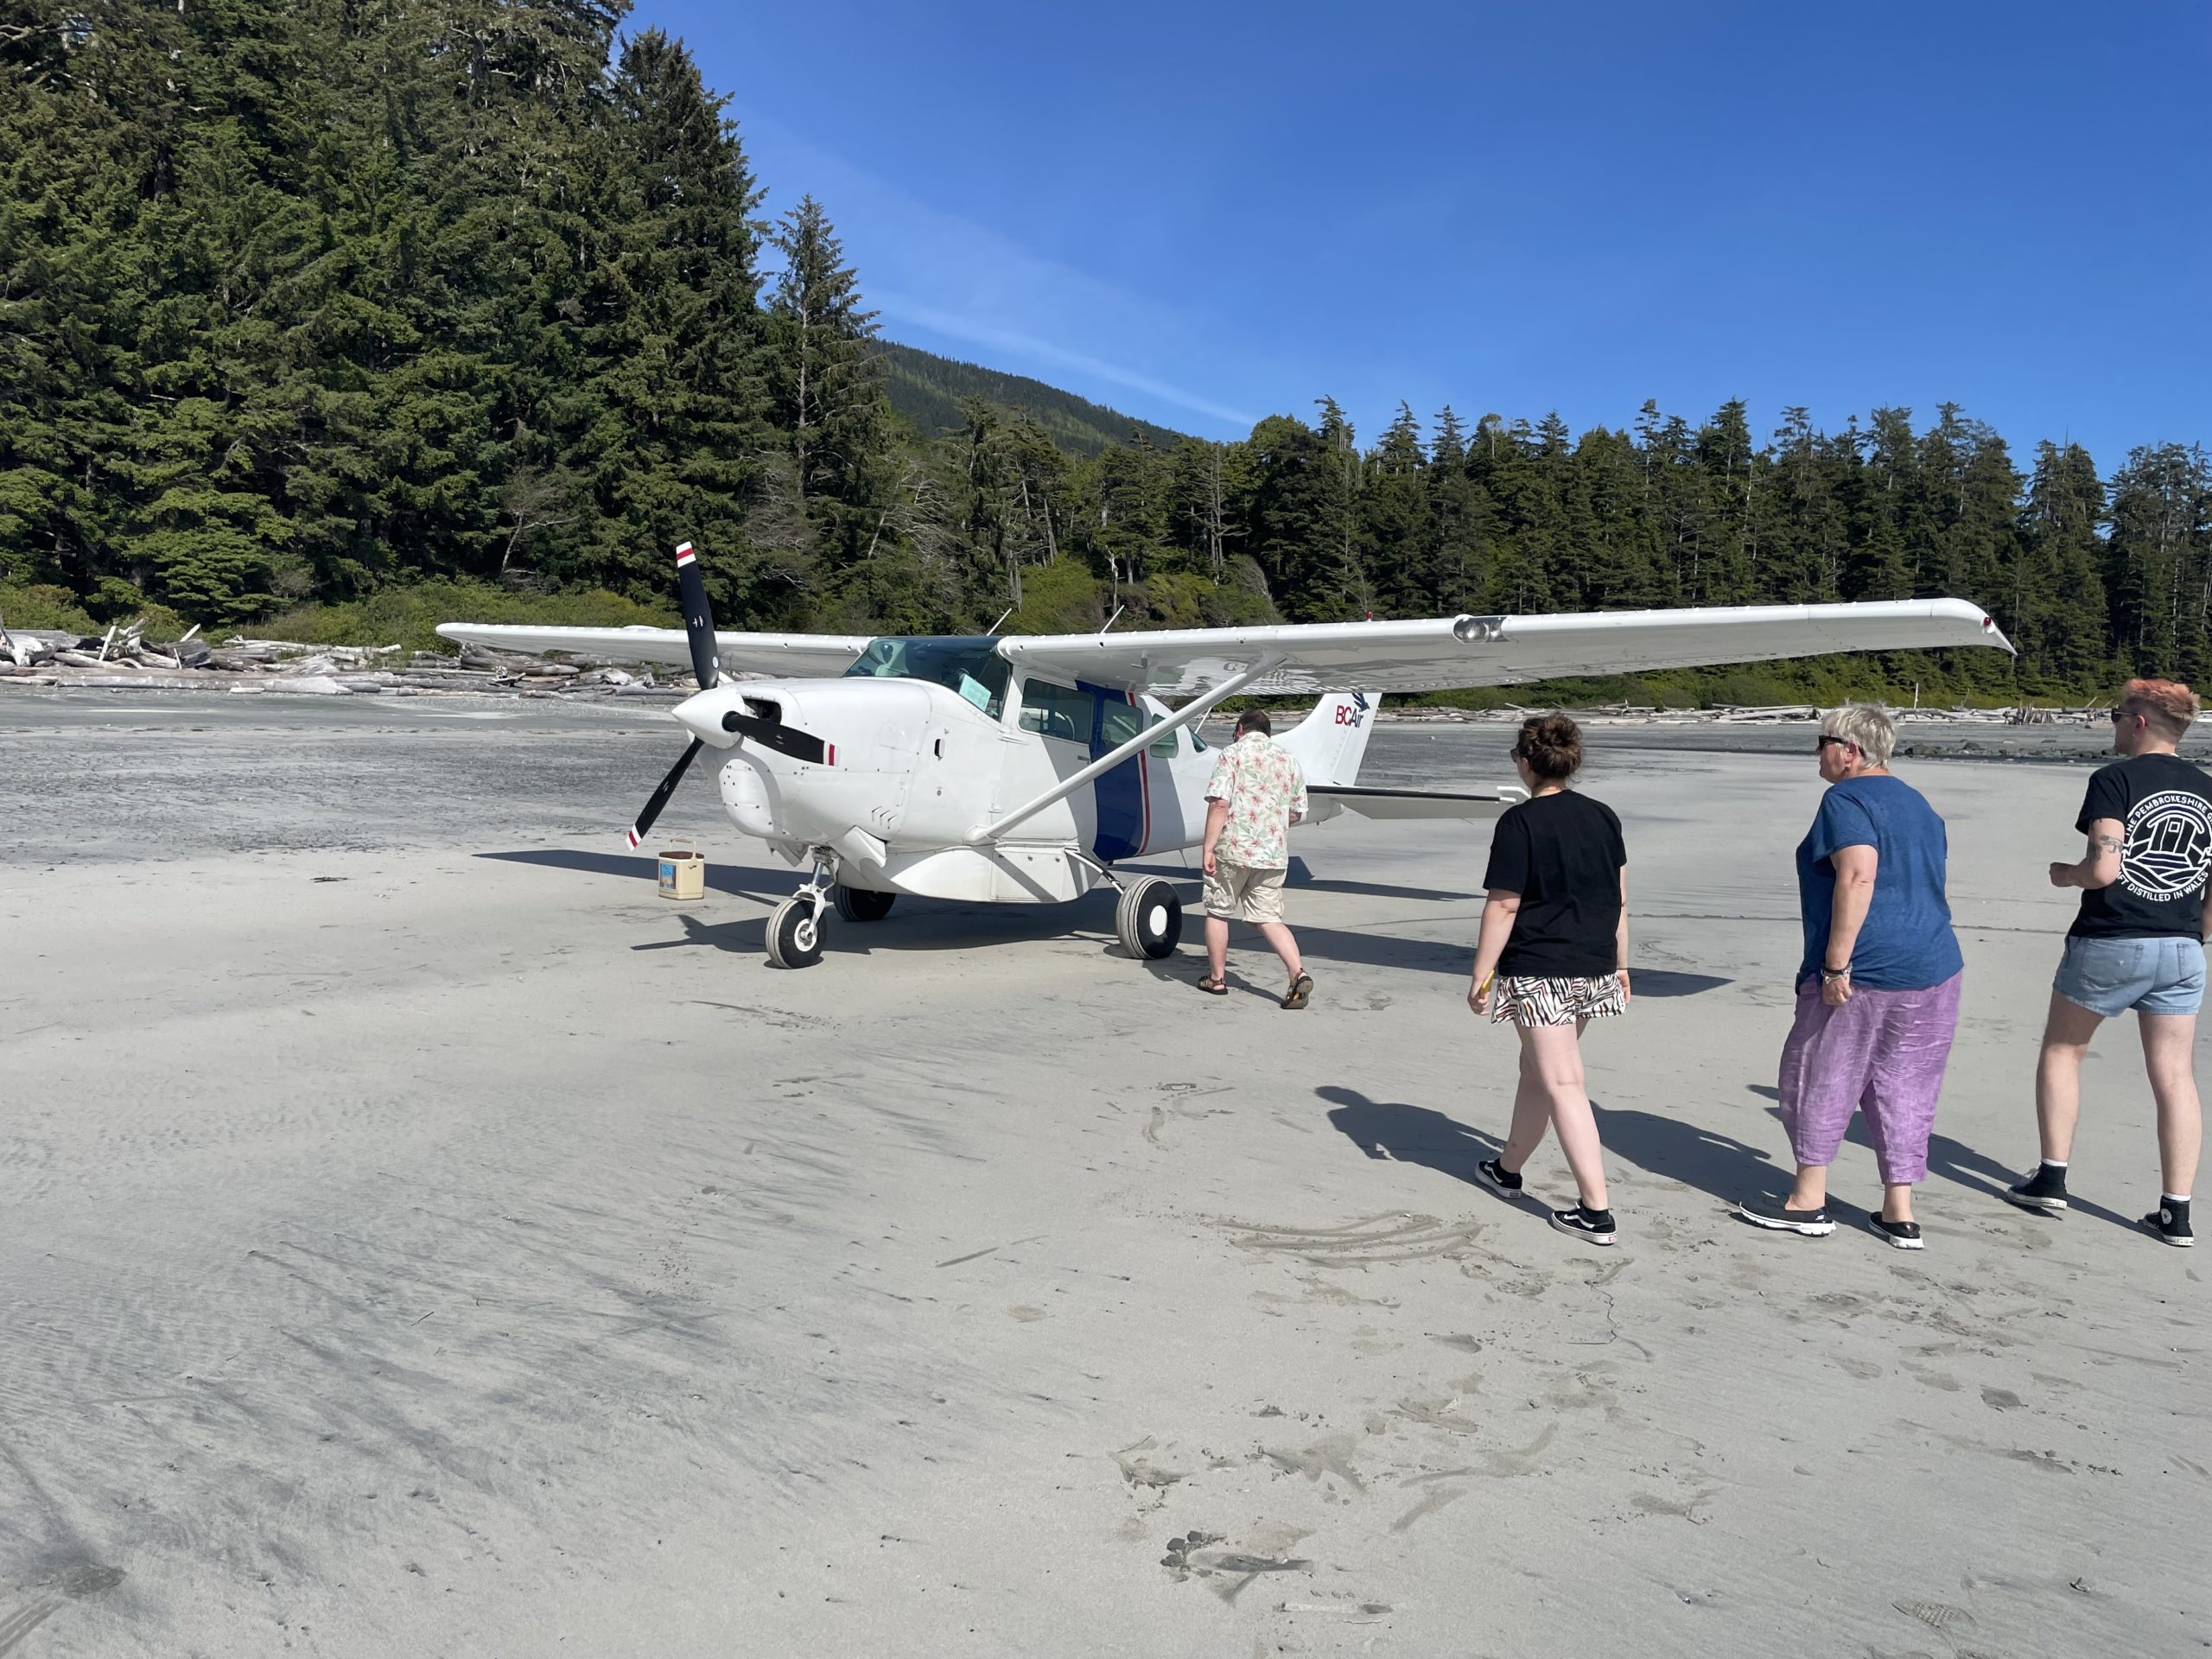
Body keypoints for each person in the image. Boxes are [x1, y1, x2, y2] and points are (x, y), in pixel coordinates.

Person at [1738, 705, 1964, 1249]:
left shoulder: (1846, 798)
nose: (1818, 751)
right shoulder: (1918, 803)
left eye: (1823, 741)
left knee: (1819, 1074)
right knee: (1906, 1086)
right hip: (1933, 964)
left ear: (1850, 750)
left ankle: (1808, 1200)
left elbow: (1858, 874)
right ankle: (1898, 1211)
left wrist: (1836, 963)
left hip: (1869, 965)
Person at [2007, 679, 2208, 1247]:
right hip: (2183, 947)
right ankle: (2177, 1212)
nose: (2115, 723)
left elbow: (2103, 868)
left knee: (2064, 1049)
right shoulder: (2208, 789)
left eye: (2120, 715)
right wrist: (2196, 935)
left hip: (2112, 939)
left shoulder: (2114, 781)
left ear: (2141, 721)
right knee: (2174, 1075)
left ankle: (2051, 1177)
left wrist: (2064, 874)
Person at [1466, 713, 1630, 1245]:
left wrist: (1481, 972)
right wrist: (1622, 965)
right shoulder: (1603, 816)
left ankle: (1595, 1209)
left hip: (1542, 967)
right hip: (1593, 964)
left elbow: (1504, 906)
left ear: (1527, 761)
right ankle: (1507, 1169)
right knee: (1537, 1070)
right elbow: (1620, 899)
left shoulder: (1520, 823)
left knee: (1563, 1080)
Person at [1198, 709, 1313, 1008]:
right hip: (1273, 854)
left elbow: (1220, 803)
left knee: (1218, 911)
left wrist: (1208, 847)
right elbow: (1297, 812)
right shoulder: (1288, 759)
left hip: (1233, 848)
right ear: (1267, 732)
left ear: (1239, 729)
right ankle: (1297, 972)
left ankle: (1217, 979)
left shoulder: (1232, 754)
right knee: (1269, 918)